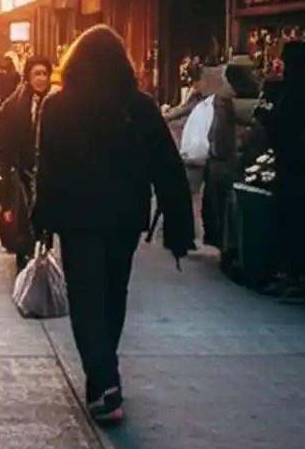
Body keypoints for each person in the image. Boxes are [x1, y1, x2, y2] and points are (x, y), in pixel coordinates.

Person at [32, 25, 194, 424]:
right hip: (123, 219)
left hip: (77, 218)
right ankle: (104, 379)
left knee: (86, 301)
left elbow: (46, 168)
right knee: (113, 295)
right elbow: (168, 168)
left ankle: (104, 382)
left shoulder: (57, 106)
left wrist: (42, 219)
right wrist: (178, 226)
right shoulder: (139, 106)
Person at [259, 41, 305, 303]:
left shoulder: (299, 91)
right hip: (298, 165)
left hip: (298, 167)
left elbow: (284, 125)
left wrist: (268, 118)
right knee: (293, 222)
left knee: (296, 223)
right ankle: (291, 274)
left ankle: (297, 277)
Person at [0, 55, 54, 269]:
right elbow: (0, 138)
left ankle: (43, 252)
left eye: (45, 74)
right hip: (21, 169)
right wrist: (2, 168)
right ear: (28, 76)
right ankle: (24, 254)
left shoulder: (57, 103)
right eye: (37, 74)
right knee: (23, 215)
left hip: (48, 170)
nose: (41, 79)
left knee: (46, 216)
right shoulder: (14, 105)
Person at [205, 59, 261, 258]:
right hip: (248, 158)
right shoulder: (259, 97)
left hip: (225, 161)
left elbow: (219, 134)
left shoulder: (224, 100)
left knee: (223, 205)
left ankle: (227, 247)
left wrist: (215, 153)